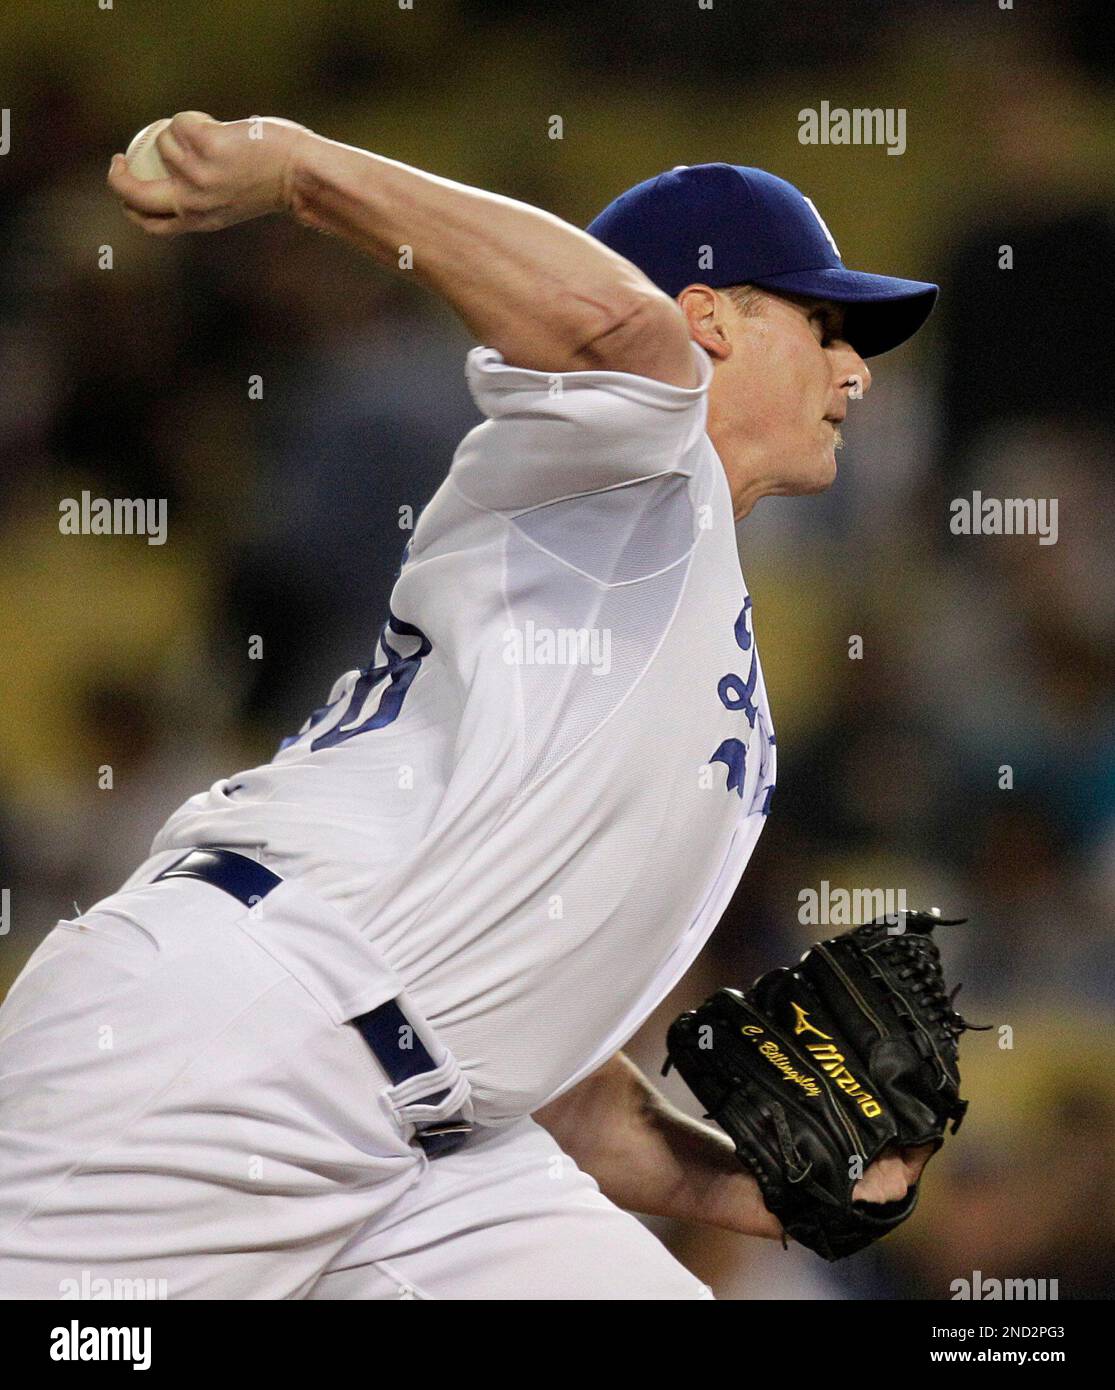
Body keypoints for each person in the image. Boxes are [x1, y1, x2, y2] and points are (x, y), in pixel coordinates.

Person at [0, 115, 938, 1300]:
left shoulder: (670, 593)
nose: (854, 370)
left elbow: (539, 1056)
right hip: (235, 1040)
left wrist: (741, 1187)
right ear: (710, 319)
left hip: (440, 1140)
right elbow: (613, 324)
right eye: (822, 324)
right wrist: (296, 168)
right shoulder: (622, 462)